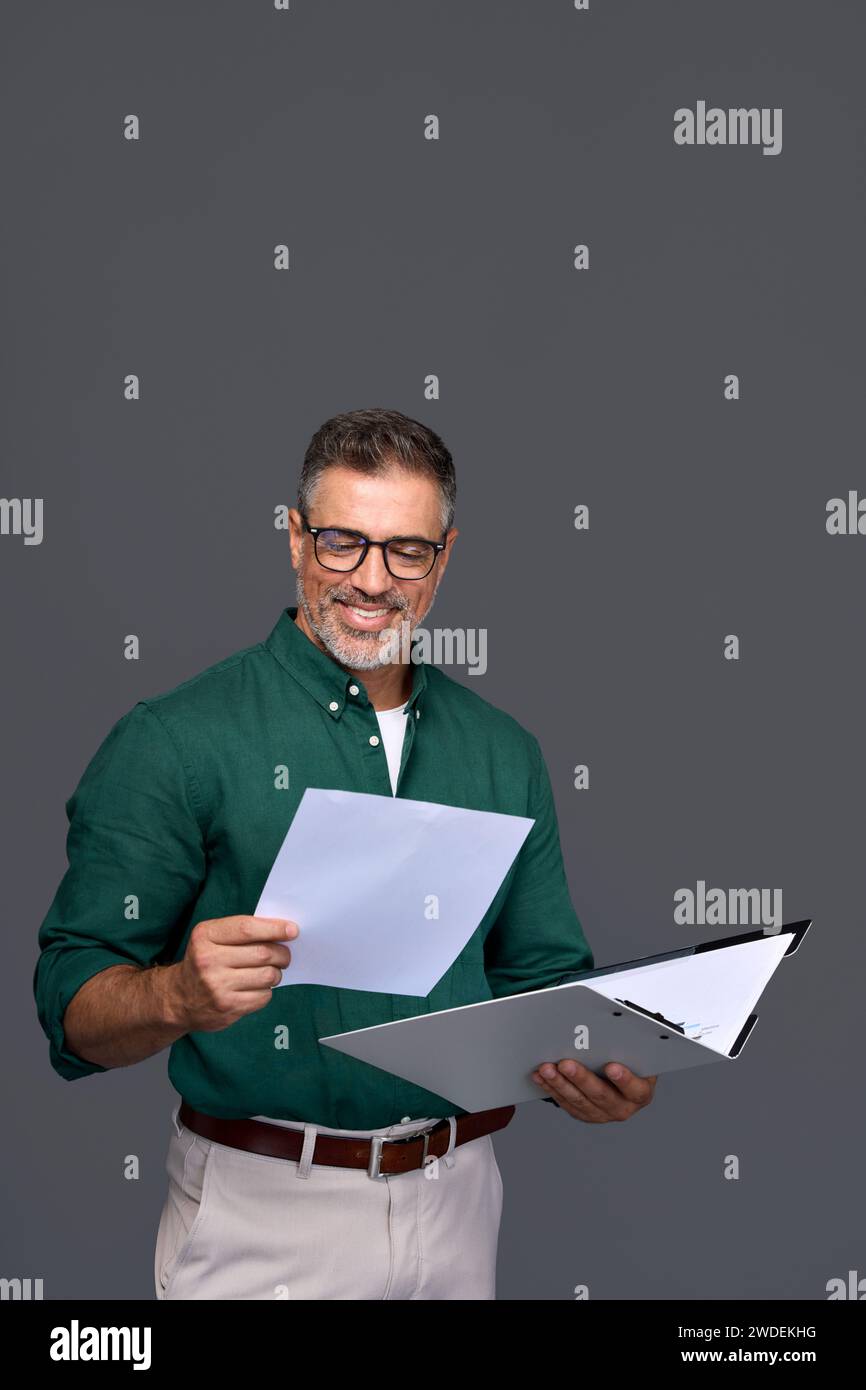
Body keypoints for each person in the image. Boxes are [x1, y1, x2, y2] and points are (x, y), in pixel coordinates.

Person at [33, 407, 657, 1301]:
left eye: (406, 550)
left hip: (460, 1203)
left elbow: (540, 981)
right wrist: (174, 993)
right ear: (294, 540)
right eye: (340, 543)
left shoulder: (503, 751)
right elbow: (71, 1006)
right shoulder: (174, 740)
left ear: (443, 559)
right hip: (262, 1215)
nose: (372, 580)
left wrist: (590, 1071)